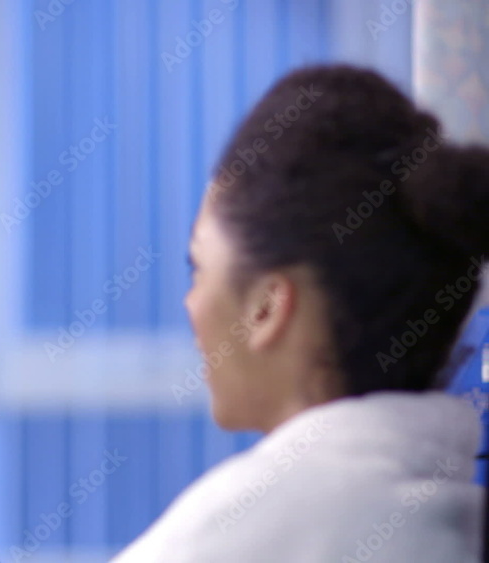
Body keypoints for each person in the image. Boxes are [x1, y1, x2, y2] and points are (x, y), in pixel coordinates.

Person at [115, 65, 487, 561]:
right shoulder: (458, 519)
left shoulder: (226, 538)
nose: (191, 304)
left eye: (198, 269)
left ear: (268, 307)